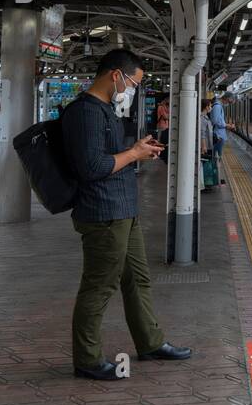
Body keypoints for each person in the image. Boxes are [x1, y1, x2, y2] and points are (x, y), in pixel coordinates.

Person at [60, 49, 192, 380]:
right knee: (99, 286)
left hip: (122, 210)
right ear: (116, 76)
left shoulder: (104, 110)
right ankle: (87, 359)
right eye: (134, 82)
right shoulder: (85, 113)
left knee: (137, 280)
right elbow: (91, 167)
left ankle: (150, 342)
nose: (133, 89)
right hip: (102, 213)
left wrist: (137, 151)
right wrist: (134, 153)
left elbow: (110, 156)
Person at [209, 90, 228, 185]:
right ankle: (214, 178)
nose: (228, 103)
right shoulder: (217, 107)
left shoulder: (218, 106)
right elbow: (216, 121)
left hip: (219, 135)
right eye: (228, 101)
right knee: (216, 157)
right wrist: (226, 125)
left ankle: (216, 178)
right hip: (218, 136)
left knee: (217, 157)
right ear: (225, 99)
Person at [155, 94, 171, 161]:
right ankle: (158, 153)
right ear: (165, 99)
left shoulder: (165, 106)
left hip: (166, 125)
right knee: (160, 141)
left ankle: (161, 153)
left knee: (163, 141)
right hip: (162, 126)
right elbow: (166, 116)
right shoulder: (161, 107)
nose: (169, 100)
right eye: (168, 99)